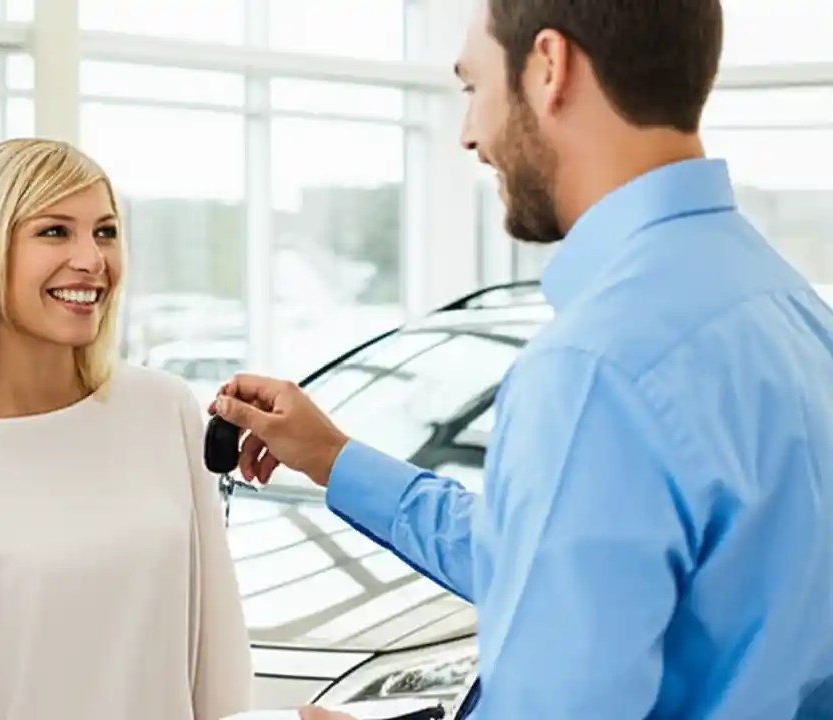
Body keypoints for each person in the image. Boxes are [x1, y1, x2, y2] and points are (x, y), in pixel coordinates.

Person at [214, 1, 833, 718]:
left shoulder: (596, 367)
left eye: (473, 89)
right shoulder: (793, 313)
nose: (469, 135)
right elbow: (557, 568)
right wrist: (334, 457)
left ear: (548, 66)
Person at [0, 138, 252, 720]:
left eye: (105, 231)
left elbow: (218, 656)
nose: (92, 259)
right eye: (55, 231)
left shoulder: (163, 410)